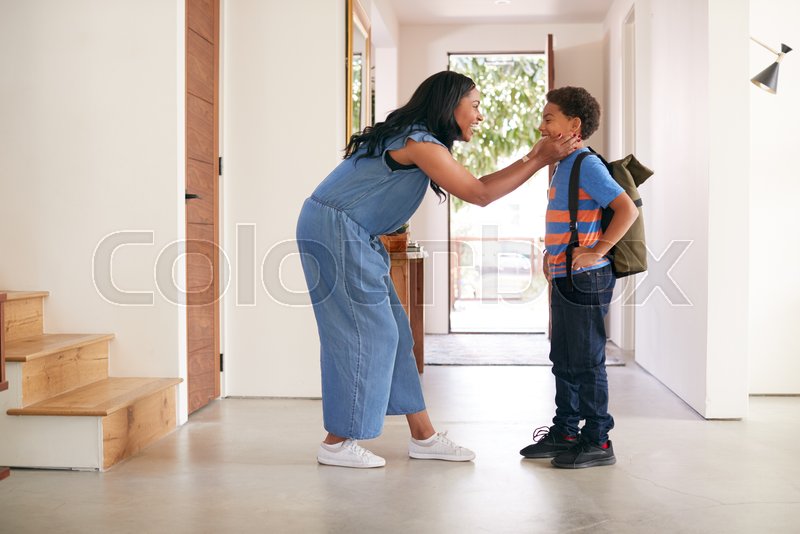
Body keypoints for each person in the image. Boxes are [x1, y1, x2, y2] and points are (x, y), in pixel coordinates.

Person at [296, 71, 579, 469]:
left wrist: (536, 157)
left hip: (351, 231)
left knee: (396, 333)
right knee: (368, 333)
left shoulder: (420, 139)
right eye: (475, 105)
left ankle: (424, 436)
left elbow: (475, 186)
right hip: (335, 230)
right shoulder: (419, 142)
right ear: (450, 104)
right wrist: (539, 158)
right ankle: (337, 442)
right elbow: (479, 193)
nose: (479, 115)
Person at [519, 86, 638, 468]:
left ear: (574, 125)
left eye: (548, 118)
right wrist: (550, 255)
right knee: (564, 356)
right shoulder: (564, 165)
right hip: (565, 275)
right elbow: (570, 217)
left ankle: (598, 439)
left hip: (587, 278)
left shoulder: (586, 164)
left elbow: (627, 210)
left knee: (586, 360)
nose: (541, 126)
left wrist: (597, 250)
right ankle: (566, 431)